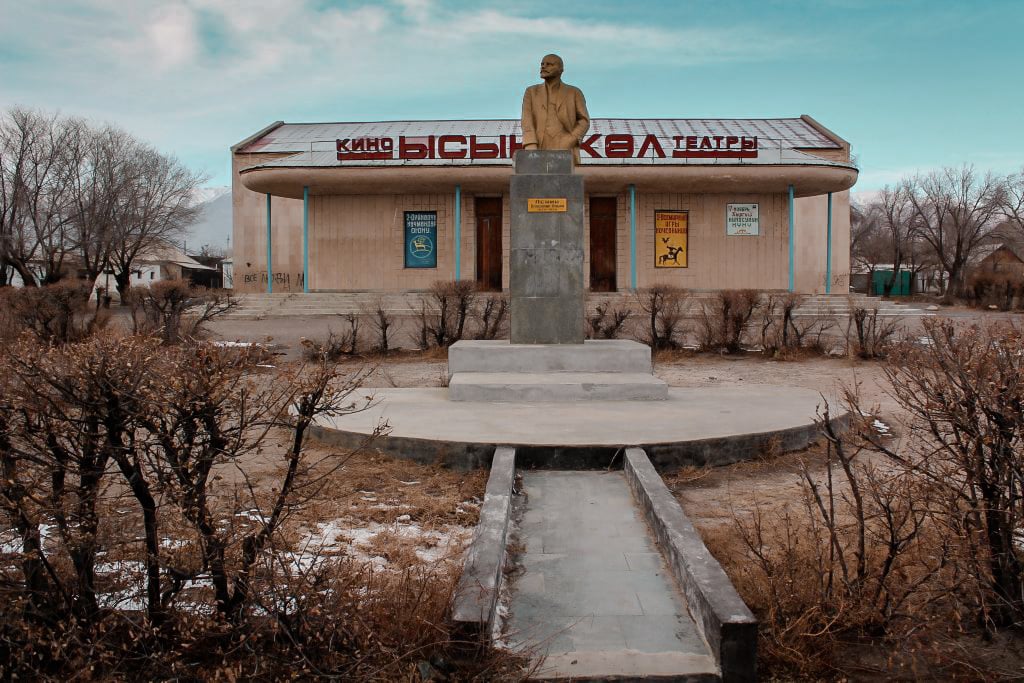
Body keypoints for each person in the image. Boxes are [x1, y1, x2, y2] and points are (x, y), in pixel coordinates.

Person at [520, 54, 590, 164]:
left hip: (565, 147)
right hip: (538, 146)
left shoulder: (574, 92)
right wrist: (530, 144)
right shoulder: (531, 92)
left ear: (560, 69)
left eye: (549, 64)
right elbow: (526, 120)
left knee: (566, 180)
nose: (543, 67)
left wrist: (571, 139)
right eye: (542, 64)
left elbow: (584, 120)